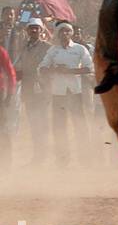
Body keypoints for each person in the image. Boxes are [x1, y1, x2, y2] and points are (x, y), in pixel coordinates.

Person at [37, 22, 93, 166]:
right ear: (57, 33)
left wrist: (70, 71)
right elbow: (42, 68)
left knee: (80, 125)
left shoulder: (80, 49)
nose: (65, 34)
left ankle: (85, 159)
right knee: (59, 127)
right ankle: (62, 160)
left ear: (72, 33)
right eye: (62, 31)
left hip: (75, 91)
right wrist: (55, 69)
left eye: (68, 31)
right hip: (58, 93)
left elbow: (89, 68)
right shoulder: (53, 50)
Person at [12, 19, 51, 165]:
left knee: (43, 124)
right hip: (29, 91)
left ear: (41, 31)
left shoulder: (48, 48)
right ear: (27, 31)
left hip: (43, 90)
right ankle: (37, 157)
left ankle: (43, 157)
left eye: (36, 28)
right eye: (31, 28)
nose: (34, 31)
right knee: (33, 124)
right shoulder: (24, 48)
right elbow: (19, 67)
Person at [0, 42, 14, 172]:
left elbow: (10, 73)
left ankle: (6, 162)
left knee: (2, 128)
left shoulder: (1, 51)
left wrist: (10, 93)